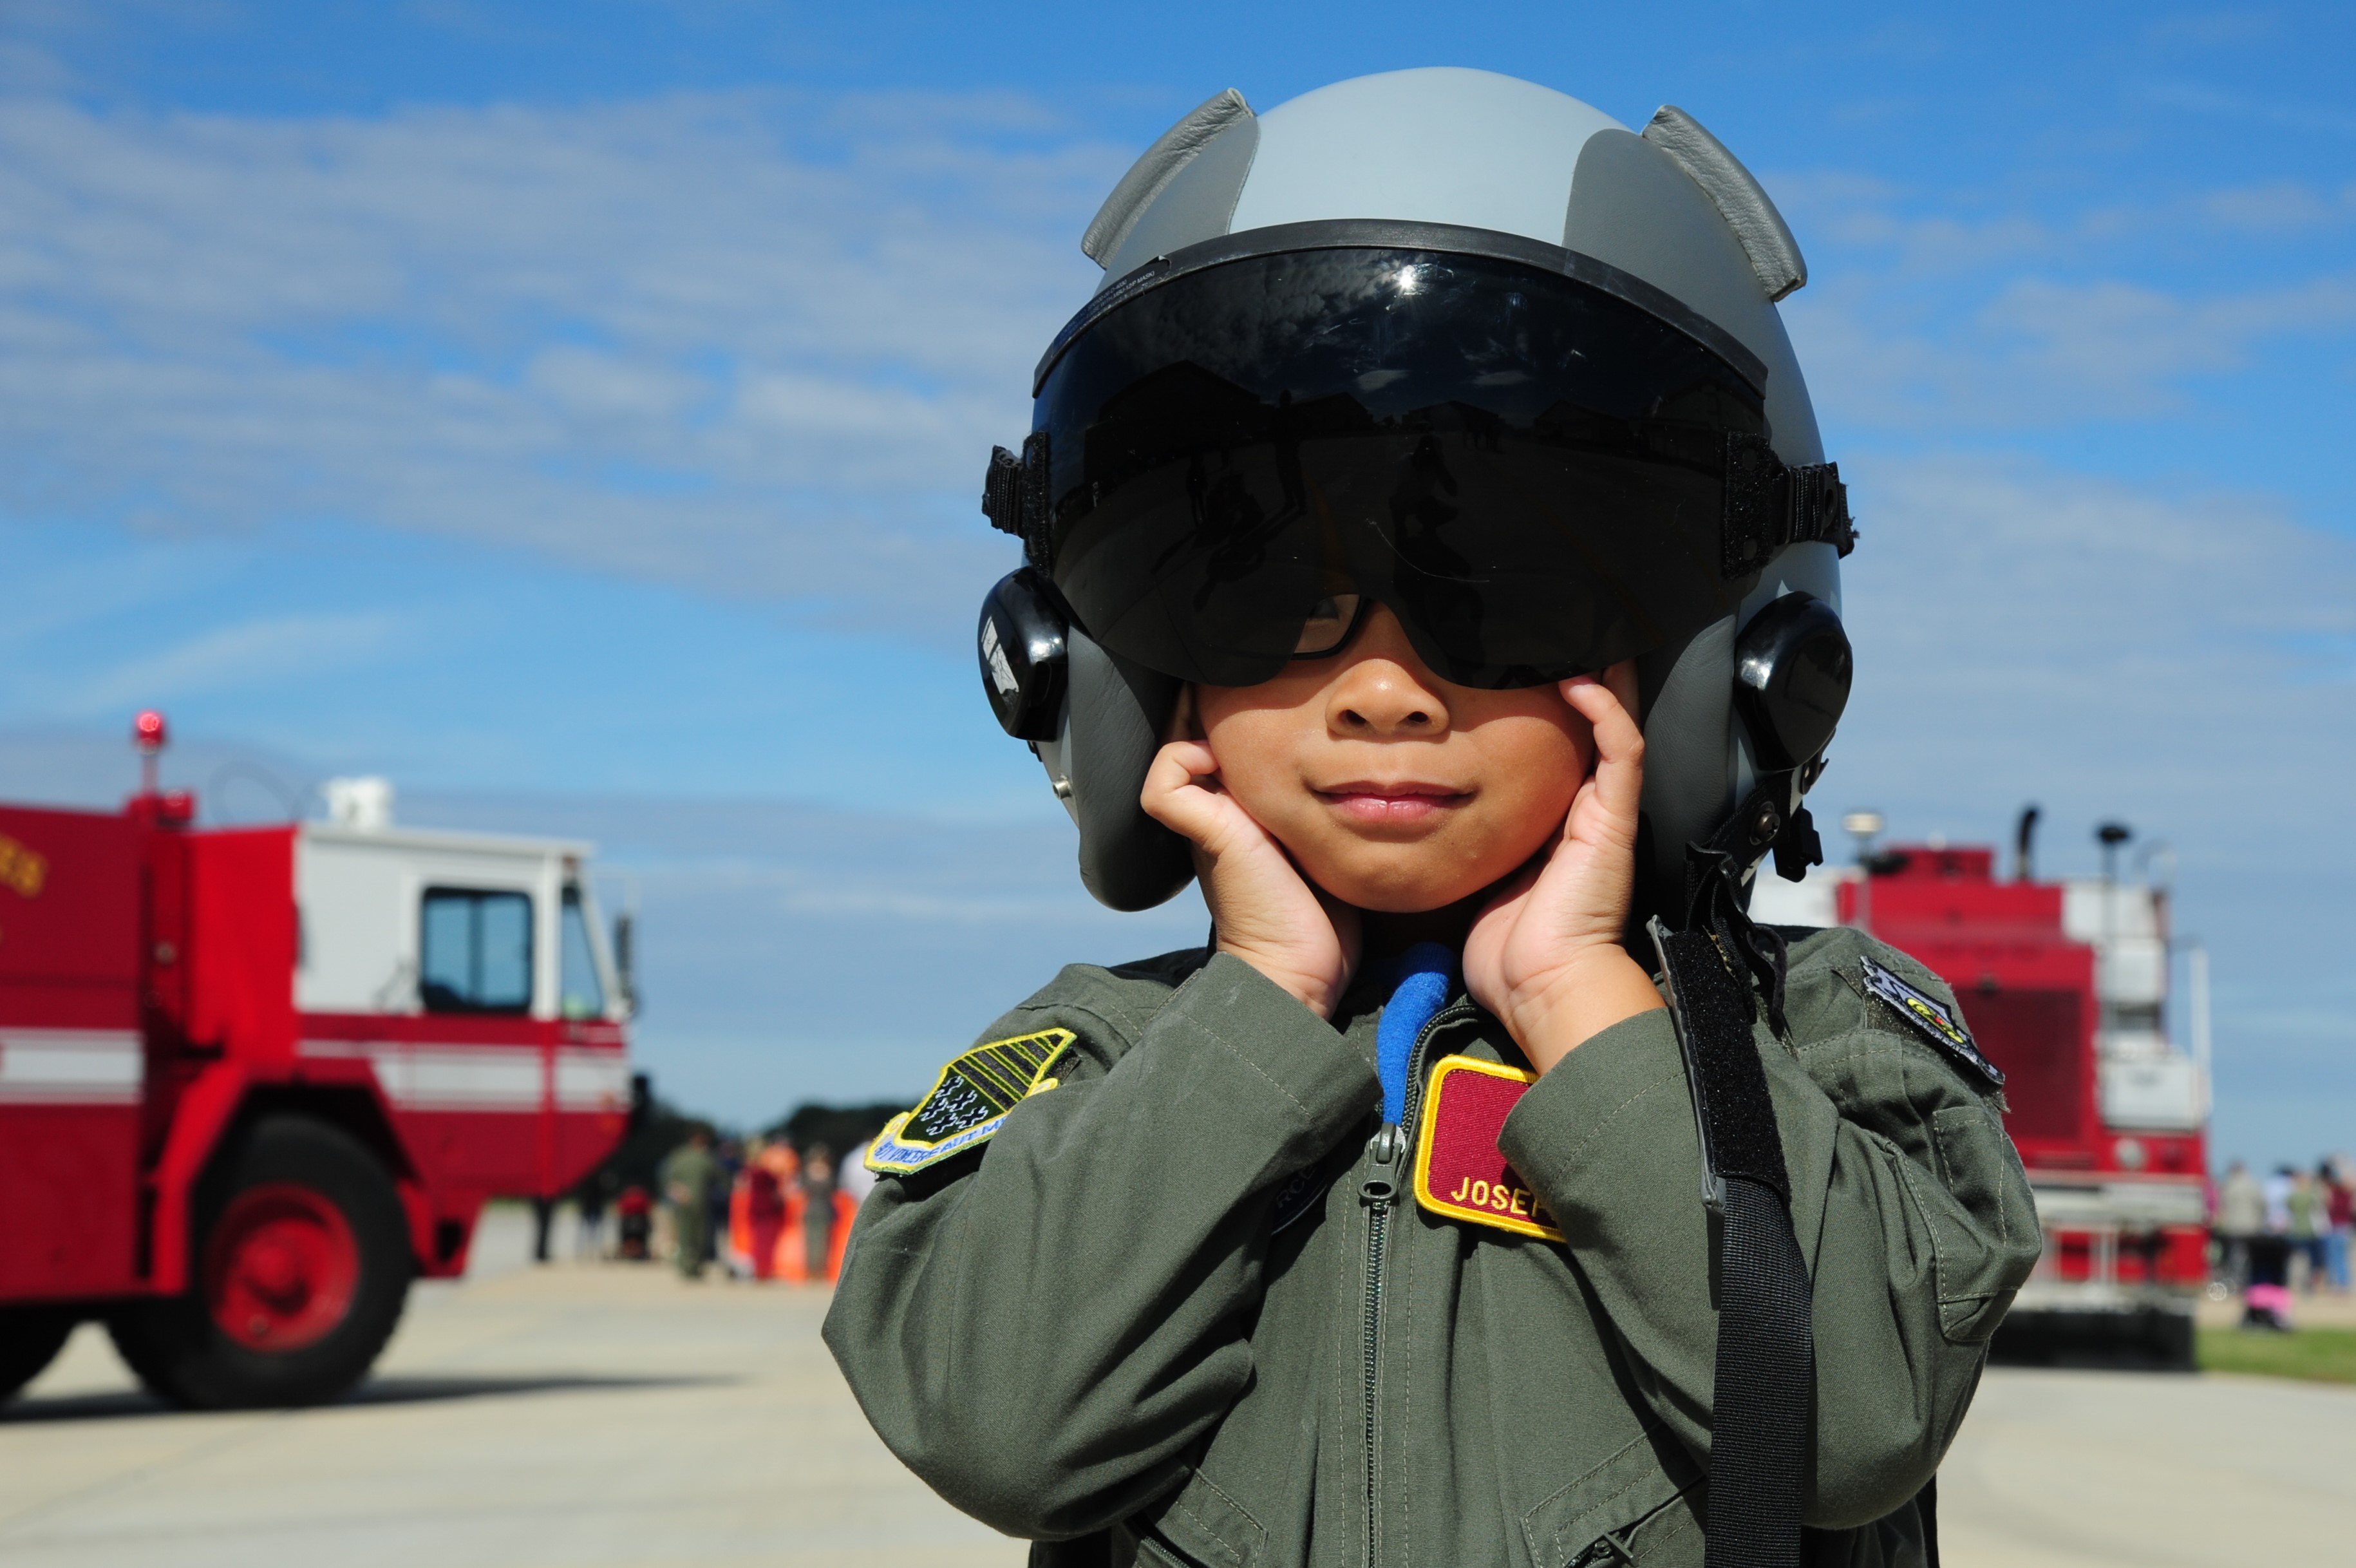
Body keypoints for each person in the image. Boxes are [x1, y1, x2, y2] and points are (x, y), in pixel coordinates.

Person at [825, 68, 2039, 1568]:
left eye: (1497, 600)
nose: (1383, 690)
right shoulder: (1099, 1063)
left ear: (1729, 672)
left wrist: (1581, 999)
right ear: (1128, 674)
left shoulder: (1824, 1043)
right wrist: (1258, 1008)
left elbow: (1847, 1417)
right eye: (1272, 601)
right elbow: (995, 1419)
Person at [659, 1126, 722, 1281]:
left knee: (687, 1235)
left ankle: (689, 1267)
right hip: (697, 1202)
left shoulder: (679, 1156)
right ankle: (691, 1267)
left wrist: (675, 1192)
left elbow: (666, 1178)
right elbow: (721, 1178)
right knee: (696, 1236)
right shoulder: (705, 1157)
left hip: (688, 1202)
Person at [2215, 1158, 2266, 1291]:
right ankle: (2246, 1283)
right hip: (2252, 1227)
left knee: (2234, 1256)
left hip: (2233, 1227)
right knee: (2249, 1257)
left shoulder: (2228, 1185)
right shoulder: (2254, 1184)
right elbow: (2262, 1205)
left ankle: (2235, 1282)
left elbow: (2222, 1206)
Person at [2328, 1157, 2355, 1293]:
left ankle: (2342, 1284)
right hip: (2341, 1228)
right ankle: (2342, 1284)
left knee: (2339, 1258)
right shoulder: (2342, 1194)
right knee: (2340, 1258)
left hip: (2341, 1228)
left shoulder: (2337, 1194)